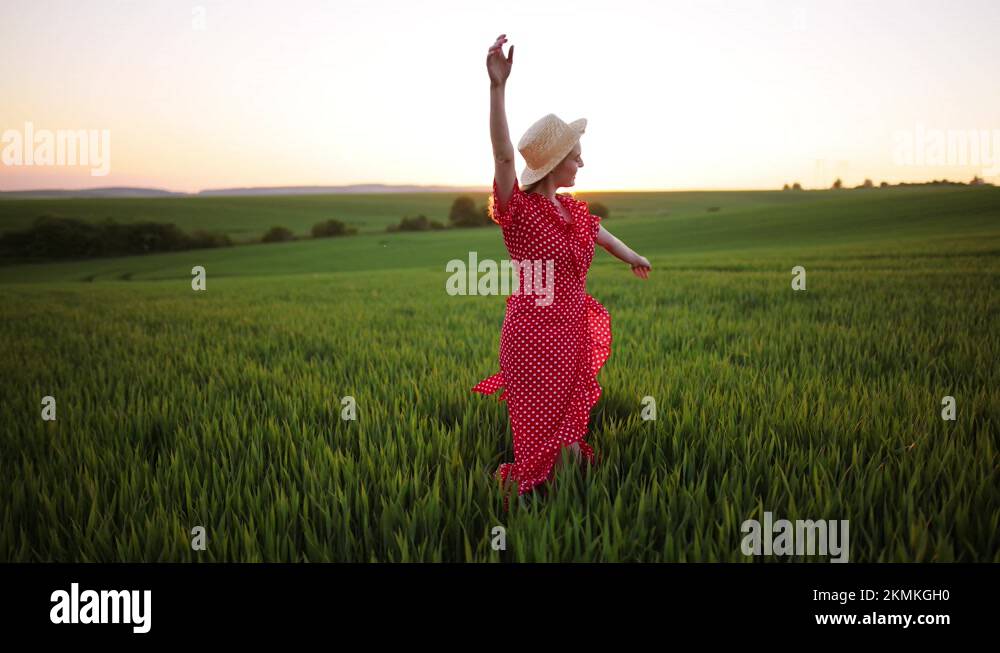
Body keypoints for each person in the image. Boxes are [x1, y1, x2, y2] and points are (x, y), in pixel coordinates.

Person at [473, 34, 652, 509]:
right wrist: (497, 88)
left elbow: (601, 235)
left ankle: (568, 507)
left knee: (571, 441)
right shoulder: (519, 212)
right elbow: (503, 155)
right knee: (539, 443)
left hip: (570, 333)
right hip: (532, 339)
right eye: (576, 155)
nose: (582, 161)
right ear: (554, 163)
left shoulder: (573, 211)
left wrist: (632, 257)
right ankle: (528, 509)